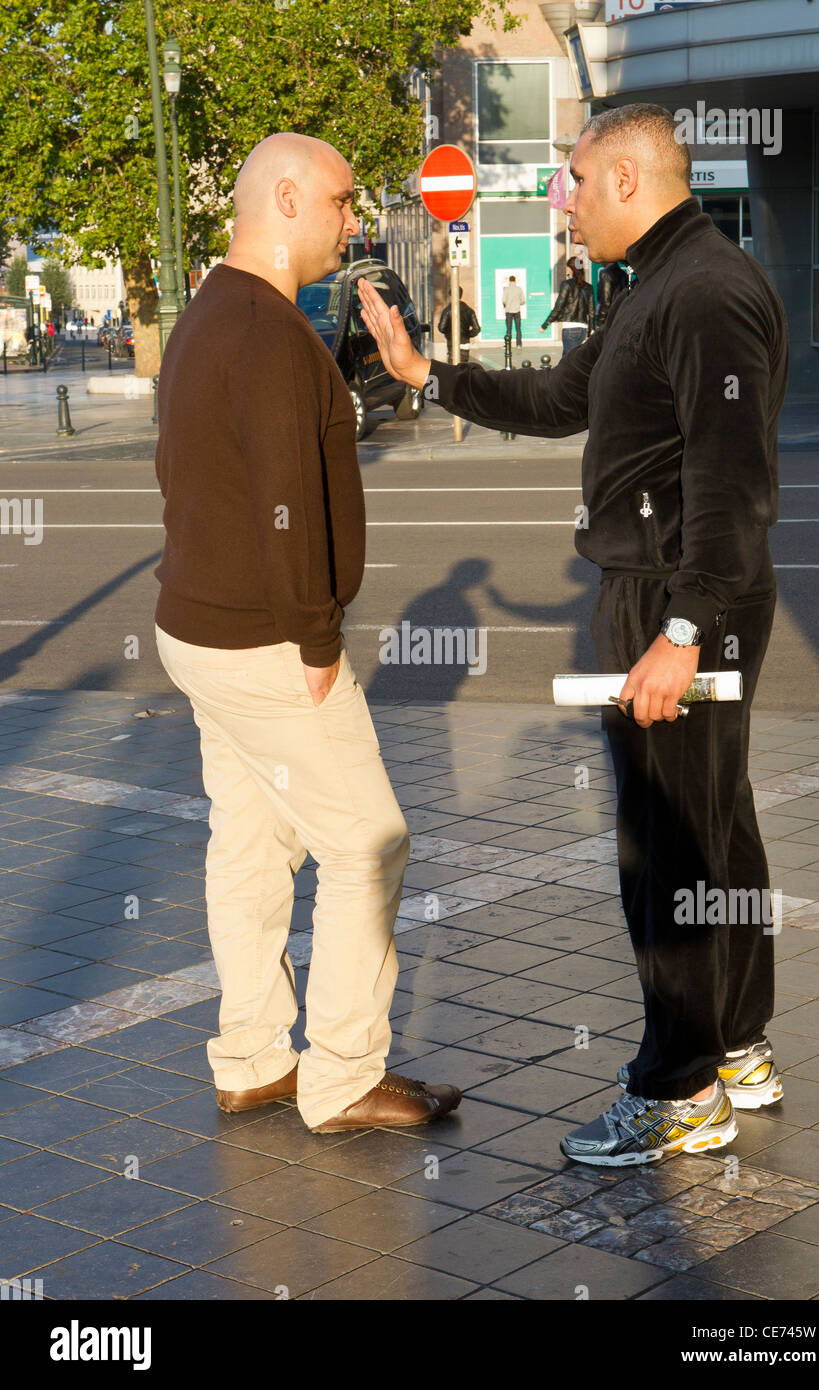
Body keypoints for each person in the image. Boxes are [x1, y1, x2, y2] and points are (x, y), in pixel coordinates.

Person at [358, 101, 788, 1168]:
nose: (564, 200)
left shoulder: (702, 294)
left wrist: (680, 630)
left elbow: (730, 486)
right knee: (710, 825)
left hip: (673, 598)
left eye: (576, 181)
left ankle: (679, 1087)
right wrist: (428, 376)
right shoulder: (657, 284)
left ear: (631, 179)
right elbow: (562, 398)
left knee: (668, 846)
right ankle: (732, 1043)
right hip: (669, 594)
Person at [153, 132, 460, 1136]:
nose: (353, 218)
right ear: (284, 199)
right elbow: (287, 506)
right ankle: (340, 1075)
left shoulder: (207, 313)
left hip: (197, 631)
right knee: (367, 841)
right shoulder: (272, 335)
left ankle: (249, 1057)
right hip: (266, 644)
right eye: (338, 201)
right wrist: (319, 647)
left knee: (248, 839)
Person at [540, 256, 595, 354]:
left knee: (567, 360)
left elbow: (558, 306)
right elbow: (591, 312)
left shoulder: (566, 284)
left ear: (571, 269)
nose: (566, 269)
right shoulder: (589, 287)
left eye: (567, 267)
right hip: (583, 329)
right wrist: (590, 331)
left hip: (570, 328)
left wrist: (545, 325)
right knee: (578, 359)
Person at [437, 286, 481, 363]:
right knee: (464, 366)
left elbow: (442, 328)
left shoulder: (447, 310)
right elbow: (477, 329)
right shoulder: (469, 310)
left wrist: (449, 334)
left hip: (452, 342)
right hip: (465, 342)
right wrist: (467, 334)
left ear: (450, 295)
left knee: (453, 367)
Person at [594, 259, 629, 327]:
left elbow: (606, 302)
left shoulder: (606, 273)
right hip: (620, 315)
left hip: (609, 318)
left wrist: (600, 322)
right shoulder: (623, 274)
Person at [502, 274, 525, 346]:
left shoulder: (506, 289)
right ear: (515, 281)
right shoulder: (519, 289)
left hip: (508, 311)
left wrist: (506, 305)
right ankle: (519, 344)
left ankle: (508, 344)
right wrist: (518, 303)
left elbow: (503, 300)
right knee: (518, 328)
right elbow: (523, 301)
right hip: (517, 310)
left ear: (509, 281)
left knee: (509, 329)